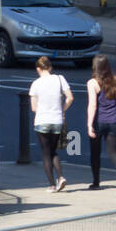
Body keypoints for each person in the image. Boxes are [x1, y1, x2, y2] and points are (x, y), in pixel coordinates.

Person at [30, 56, 73, 193]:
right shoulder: (60, 79)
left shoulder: (35, 84)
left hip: (42, 120)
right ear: (50, 67)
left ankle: (52, 185)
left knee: (46, 153)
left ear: (38, 69)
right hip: (57, 120)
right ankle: (60, 177)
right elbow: (70, 97)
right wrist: (62, 109)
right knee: (53, 151)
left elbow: (33, 108)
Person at [86, 54, 116, 191]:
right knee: (113, 152)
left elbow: (93, 105)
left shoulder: (92, 83)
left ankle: (96, 182)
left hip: (98, 122)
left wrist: (89, 125)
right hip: (114, 121)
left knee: (95, 153)